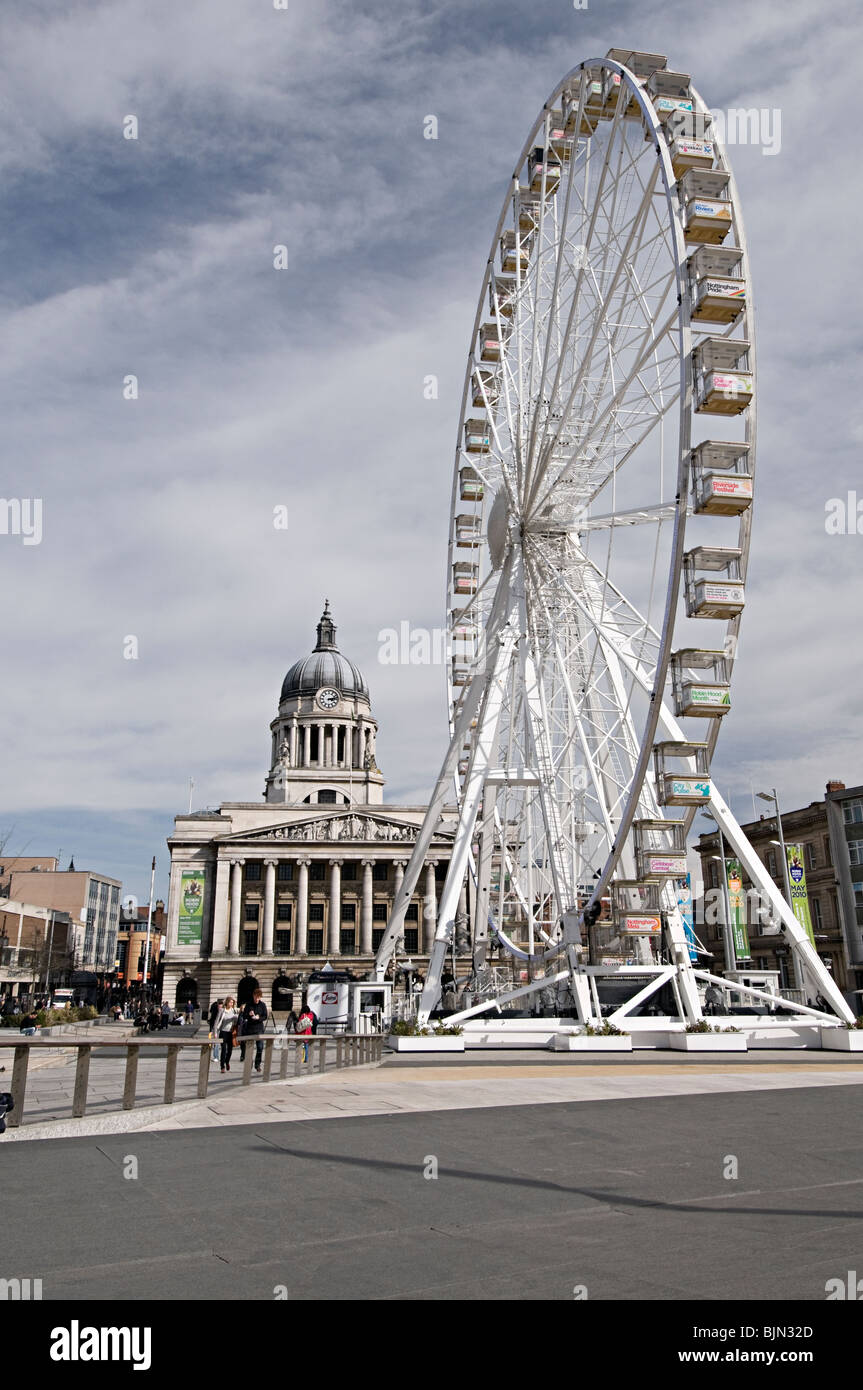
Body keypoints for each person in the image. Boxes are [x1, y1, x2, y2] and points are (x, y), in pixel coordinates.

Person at [240, 989, 268, 1072]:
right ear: (253, 996)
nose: (257, 999)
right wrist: (248, 1014)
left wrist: (259, 1018)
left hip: (259, 1028)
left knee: (260, 1047)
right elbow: (244, 1016)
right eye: (256, 997)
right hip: (250, 1029)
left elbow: (265, 1016)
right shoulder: (248, 1005)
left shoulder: (263, 1005)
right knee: (249, 1048)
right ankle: (249, 1063)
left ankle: (257, 1064)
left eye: (259, 997)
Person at [213, 996, 239, 1073]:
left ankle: (227, 1061)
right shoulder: (222, 1010)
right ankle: (222, 1067)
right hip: (223, 1032)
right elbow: (216, 1022)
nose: (231, 1004)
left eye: (232, 1002)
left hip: (231, 1032)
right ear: (227, 1002)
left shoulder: (233, 1010)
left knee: (230, 1050)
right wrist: (215, 1032)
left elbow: (237, 1022)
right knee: (223, 1050)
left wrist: (236, 1018)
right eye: (230, 1002)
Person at [296, 998, 315, 1064]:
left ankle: (302, 1058)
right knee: (307, 1046)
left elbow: (299, 1024)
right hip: (309, 1032)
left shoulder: (303, 1015)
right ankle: (306, 1058)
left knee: (302, 1046)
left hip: (303, 1032)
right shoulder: (311, 1015)